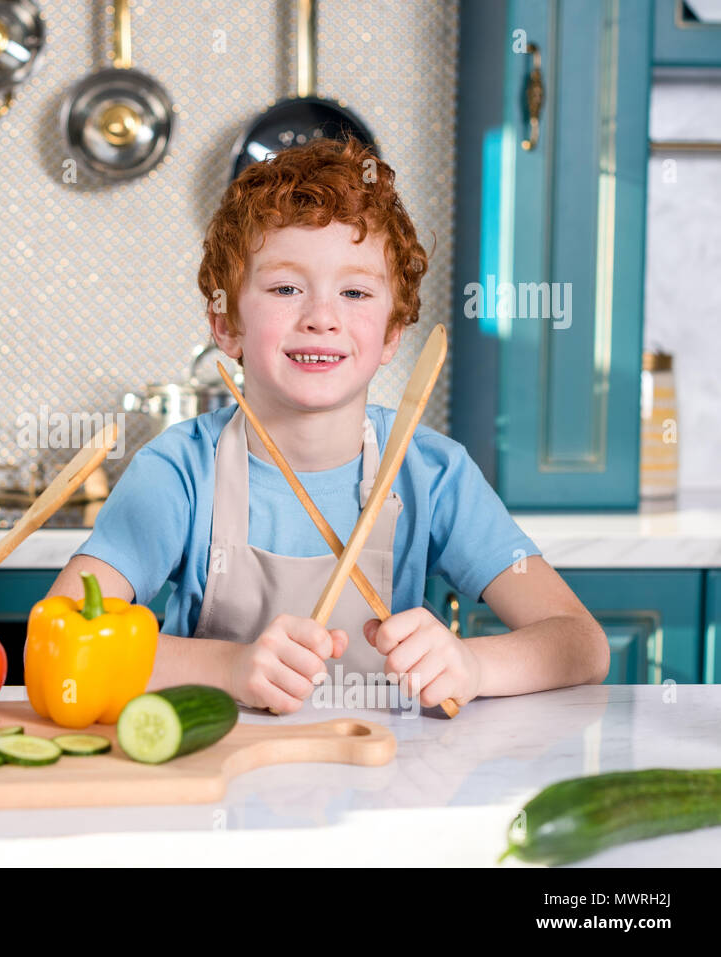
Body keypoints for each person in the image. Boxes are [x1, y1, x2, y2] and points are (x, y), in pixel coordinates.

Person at [40, 136, 609, 715]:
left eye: (356, 291)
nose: (321, 318)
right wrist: (228, 666)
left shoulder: (430, 471)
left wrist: (473, 664)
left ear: (392, 333)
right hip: (217, 780)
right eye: (286, 289)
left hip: (379, 781)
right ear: (226, 323)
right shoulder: (179, 471)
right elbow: (63, 645)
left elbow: (580, 643)